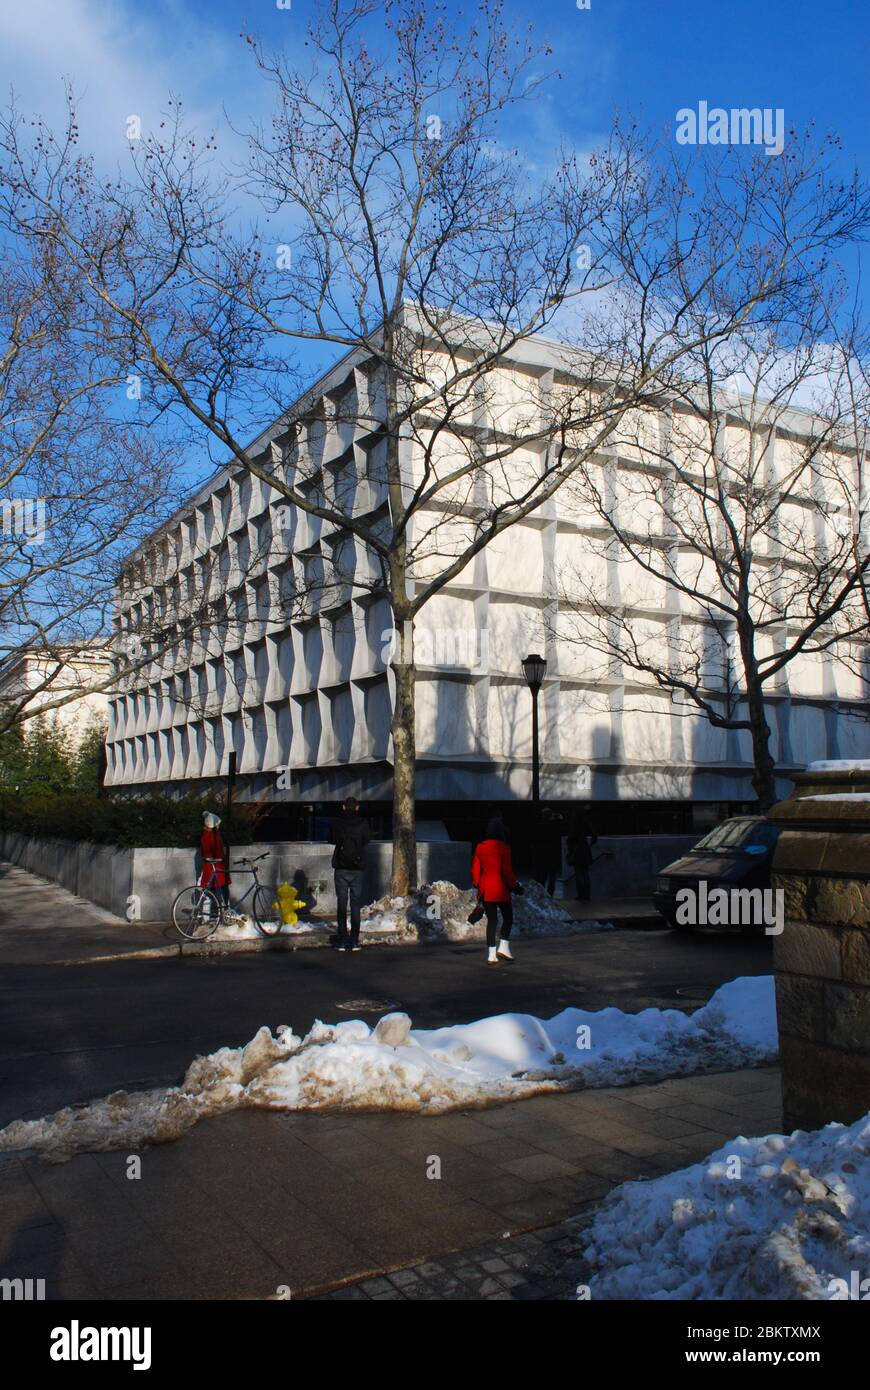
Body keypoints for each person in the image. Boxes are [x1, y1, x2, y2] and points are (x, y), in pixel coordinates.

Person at [471, 816, 523, 965]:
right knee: (508, 918)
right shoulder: (504, 848)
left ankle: (491, 955)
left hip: (486, 890)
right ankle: (504, 947)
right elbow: (507, 871)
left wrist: (477, 883)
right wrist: (515, 886)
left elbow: (475, 869)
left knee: (491, 921)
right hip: (501, 890)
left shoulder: (480, 847)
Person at [330, 796, 372, 952]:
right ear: (357, 807)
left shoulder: (337, 823)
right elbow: (367, 840)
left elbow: (332, 839)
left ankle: (341, 939)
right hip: (358, 868)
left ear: (343, 807)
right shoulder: (363, 823)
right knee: (355, 904)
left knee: (342, 903)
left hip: (341, 867)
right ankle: (354, 940)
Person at [199, 811, 231, 908]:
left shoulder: (206, 835)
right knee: (222, 889)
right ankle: (223, 911)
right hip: (217, 866)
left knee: (212, 890)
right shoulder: (214, 835)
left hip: (211, 866)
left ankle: (215, 912)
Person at [566, 805, 597, 900]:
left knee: (579, 873)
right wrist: (589, 844)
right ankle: (587, 895)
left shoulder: (573, 824)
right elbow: (594, 836)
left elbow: (570, 839)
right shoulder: (585, 822)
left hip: (576, 850)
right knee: (585, 873)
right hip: (585, 850)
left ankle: (580, 895)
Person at [532, 807, 564, 896]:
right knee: (552, 877)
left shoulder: (539, 826)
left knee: (542, 876)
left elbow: (535, 841)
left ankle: (541, 894)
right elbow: (562, 831)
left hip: (542, 855)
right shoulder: (555, 826)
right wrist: (559, 819)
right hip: (553, 854)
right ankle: (550, 895)